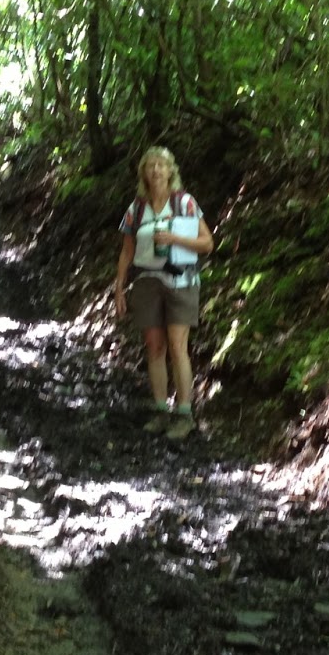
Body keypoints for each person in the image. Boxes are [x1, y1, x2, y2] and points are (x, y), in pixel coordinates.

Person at [113, 146, 215, 441]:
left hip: (181, 280)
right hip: (147, 281)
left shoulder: (184, 203)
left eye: (162, 165)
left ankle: (184, 413)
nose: (156, 170)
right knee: (154, 347)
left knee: (177, 345)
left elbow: (207, 243)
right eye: (151, 165)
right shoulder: (137, 209)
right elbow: (126, 252)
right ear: (143, 173)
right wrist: (119, 288)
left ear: (171, 171)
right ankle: (160, 410)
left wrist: (174, 238)